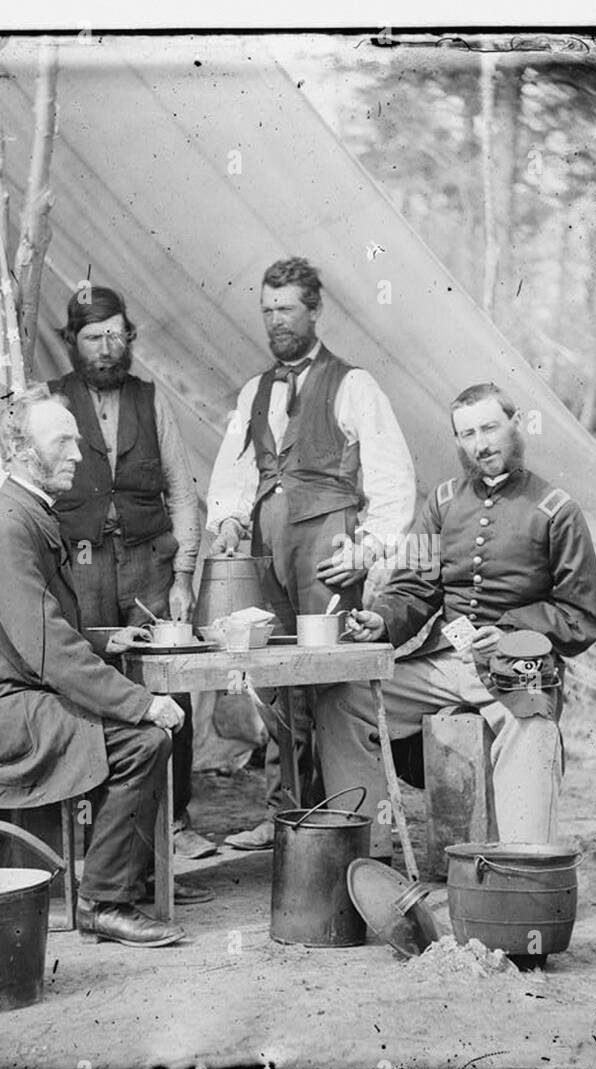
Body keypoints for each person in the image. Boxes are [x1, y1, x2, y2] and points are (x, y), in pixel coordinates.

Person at [0, 385, 188, 948]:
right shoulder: (6, 527)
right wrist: (143, 702)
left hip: (15, 694)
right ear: (20, 454)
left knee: (131, 732)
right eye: (62, 441)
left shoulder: (28, 513)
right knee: (143, 741)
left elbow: (39, 633)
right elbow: (46, 649)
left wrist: (102, 641)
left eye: (76, 438)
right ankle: (104, 901)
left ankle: (115, 882)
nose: (76, 453)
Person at [316, 383, 596, 846]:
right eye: (467, 433)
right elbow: (417, 585)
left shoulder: (556, 510)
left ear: (516, 425)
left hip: (520, 665)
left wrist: (511, 631)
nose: (481, 444)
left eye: (490, 427)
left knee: (530, 726)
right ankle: (367, 854)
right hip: (446, 662)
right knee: (344, 701)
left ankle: (523, 866)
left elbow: (580, 615)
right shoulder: (445, 501)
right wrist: (383, 619)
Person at [205, 256, 415, 854]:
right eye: (268, 309)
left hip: (327, 551)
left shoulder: (354, 385)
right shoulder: (253, 392)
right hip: (266, 554)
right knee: (272, 679)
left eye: (288, 309)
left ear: (315, 310)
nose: (276, 321)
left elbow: (395, 480)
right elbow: (233, 475)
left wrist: (368, 551)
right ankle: (284, 816)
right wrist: (226, 521)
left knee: (326, 680)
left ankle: (340, 821)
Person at [49, 284, 218, 880]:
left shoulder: (151, 400)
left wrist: (184, 574)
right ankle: (102, 835)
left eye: (116, 334)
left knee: (171, 683)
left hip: (149, 563)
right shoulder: (50, 401)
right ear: (72, 342)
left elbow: (181, 490)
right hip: (84, 564)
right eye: (93, 337)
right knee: (90, 683)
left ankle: (172, 833)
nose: (105, 347)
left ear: (130, 337)